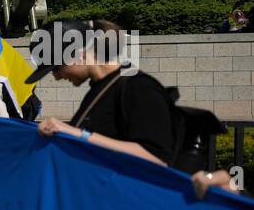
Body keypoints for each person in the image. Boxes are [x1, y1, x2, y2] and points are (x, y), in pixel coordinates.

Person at [27, 19, 175, 165]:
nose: (57, 77)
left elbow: (157, 158)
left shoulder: (140, 87)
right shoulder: (101, 88)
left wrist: (79, 135)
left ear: (80, 55)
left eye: (56, 68)